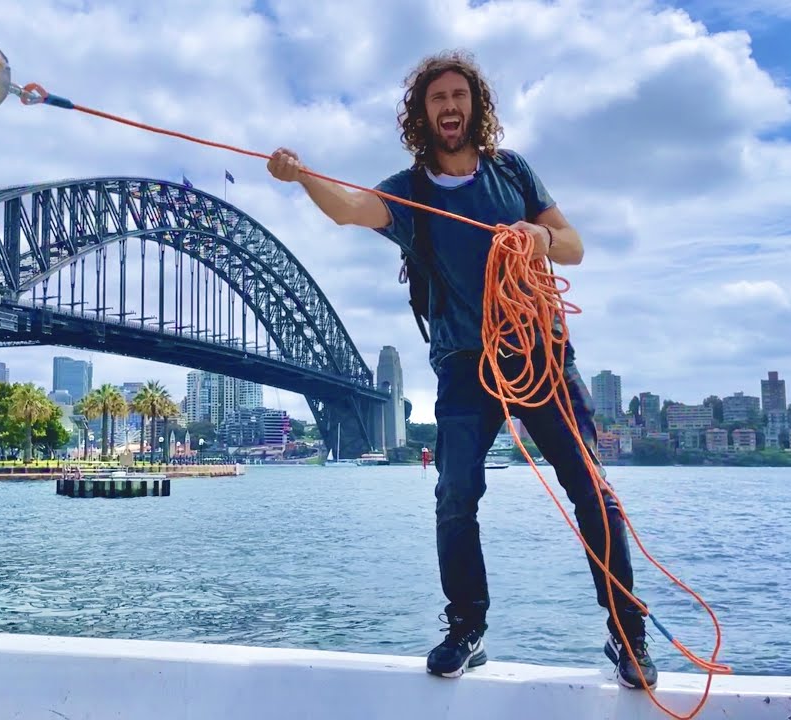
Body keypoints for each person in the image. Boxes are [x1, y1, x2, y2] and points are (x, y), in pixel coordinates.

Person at [265, 50, 657, 689]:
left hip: (541, 356)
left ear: (475, 106)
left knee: (592, 487)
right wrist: (301, 175)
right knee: (455, 496)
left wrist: (537, 237)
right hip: (464, 366)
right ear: (422, 114)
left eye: (459, 96)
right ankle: (466, 628)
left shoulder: (512, 171)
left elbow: (575, 246)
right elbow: (346, 208)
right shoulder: (409, 191)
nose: (450, 107)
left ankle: (628, 637)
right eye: (437, 99)